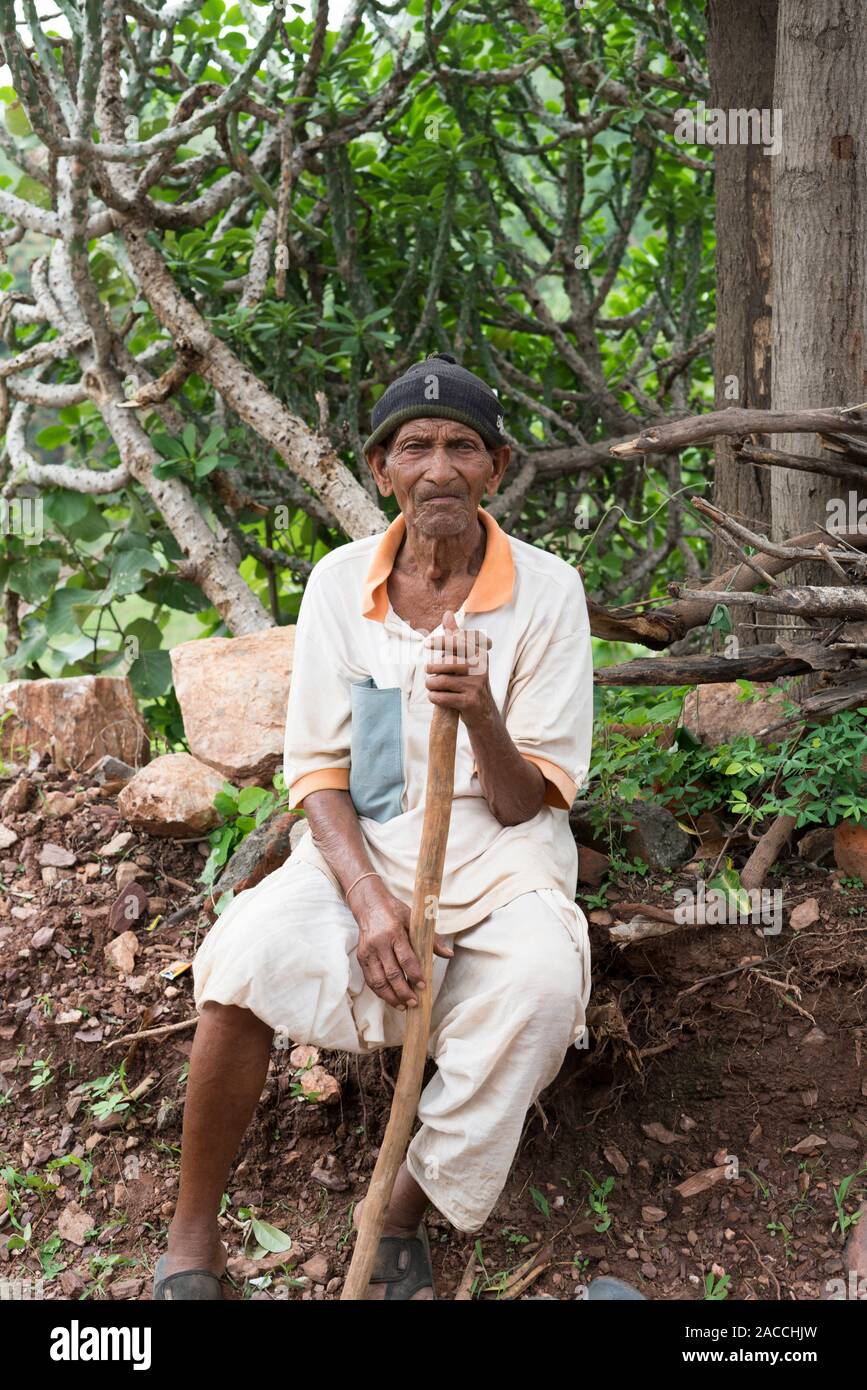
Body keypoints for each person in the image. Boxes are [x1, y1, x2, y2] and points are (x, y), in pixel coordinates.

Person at [153, 352, 603, 1301]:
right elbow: (317, 771)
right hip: (364, 851)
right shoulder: (335, 584)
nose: (439, 468)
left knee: (540, 987)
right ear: (380, 469)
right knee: (243, 958)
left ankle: (396, 1217)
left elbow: (530, 800)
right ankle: (192, 1240)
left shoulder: (550, 591)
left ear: (496, 467)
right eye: (416, 448)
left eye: (462, 448)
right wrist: (367, 902)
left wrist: (479, 710)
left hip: (506, 857)